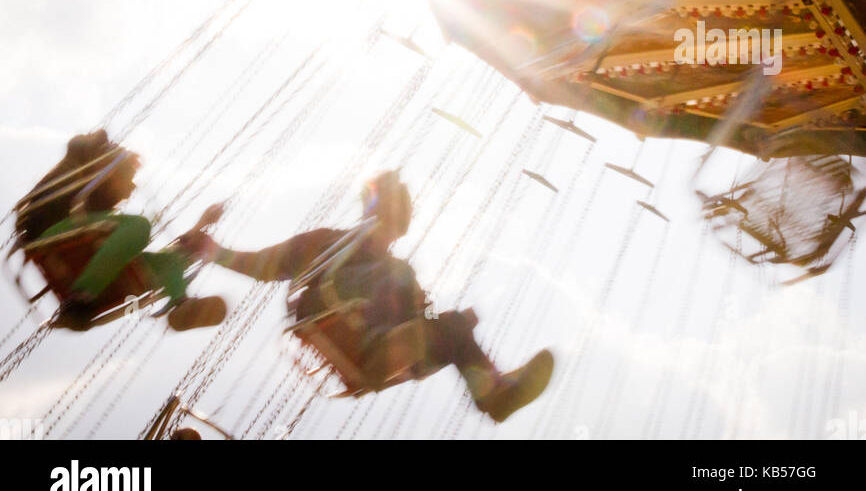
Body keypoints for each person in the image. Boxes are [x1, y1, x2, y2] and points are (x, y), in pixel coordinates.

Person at [190, 170, 554, 423]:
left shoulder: (401, 273)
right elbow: (261, 265)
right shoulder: (327, 243)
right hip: (334, 319)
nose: (386, 234)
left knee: (449, 321)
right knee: (405, 288)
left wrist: (454, 326)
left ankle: (496, 398)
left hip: (380, 351)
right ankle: (488, 393)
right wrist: (210, 248)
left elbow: (424, 318)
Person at [15, 130, 227, 332]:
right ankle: (82, 297)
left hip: (84, 245)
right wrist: (107, 147)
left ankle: (182, 305)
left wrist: (201, 225)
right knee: (139, 226)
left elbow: (174, 246)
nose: (132, 189)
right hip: (51, 227)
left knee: (170, 261)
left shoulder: (94, 214)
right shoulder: (77, 179)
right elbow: (79, 145)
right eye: (129, 179)